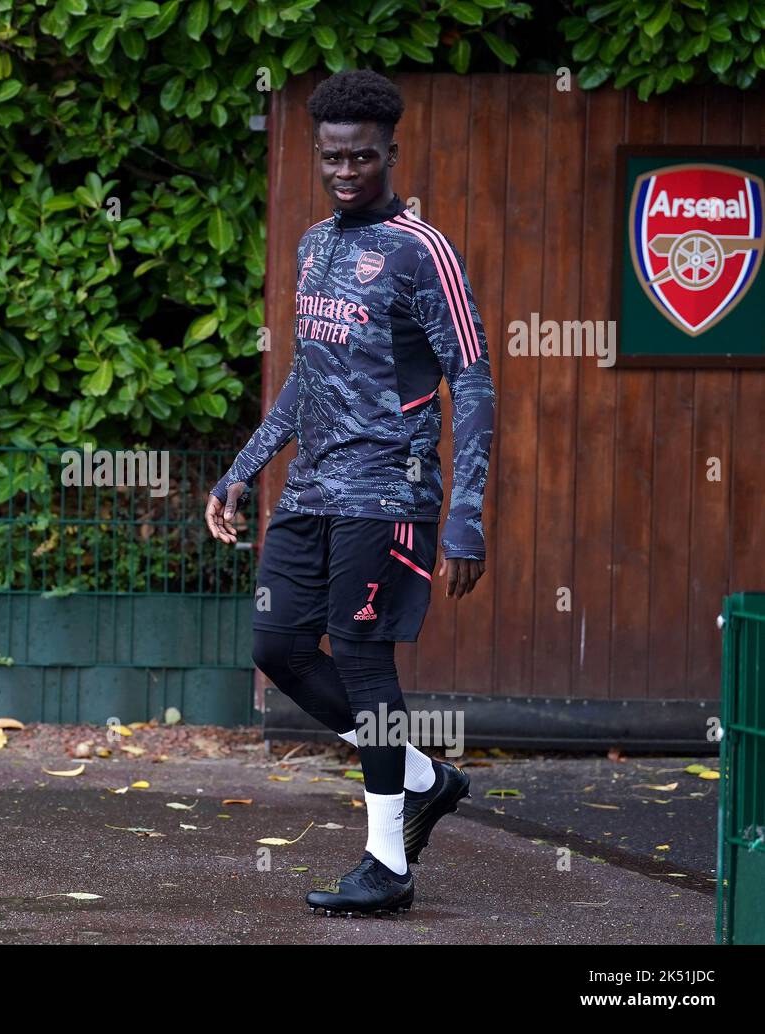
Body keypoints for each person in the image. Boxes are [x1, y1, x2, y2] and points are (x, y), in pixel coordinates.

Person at [205, 69, 494, 916]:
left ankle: (388, 866)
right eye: (333, 156)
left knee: (362, 657)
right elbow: (307, 377)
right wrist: (243, 467)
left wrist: (466, 520)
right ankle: (422, 777)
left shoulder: (423, 251)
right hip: (311, 490)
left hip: (389, 492)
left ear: (390, 153)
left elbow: (471, 381)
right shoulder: (313, 243)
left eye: (362, 156)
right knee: (277, 648)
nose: (345, 170)